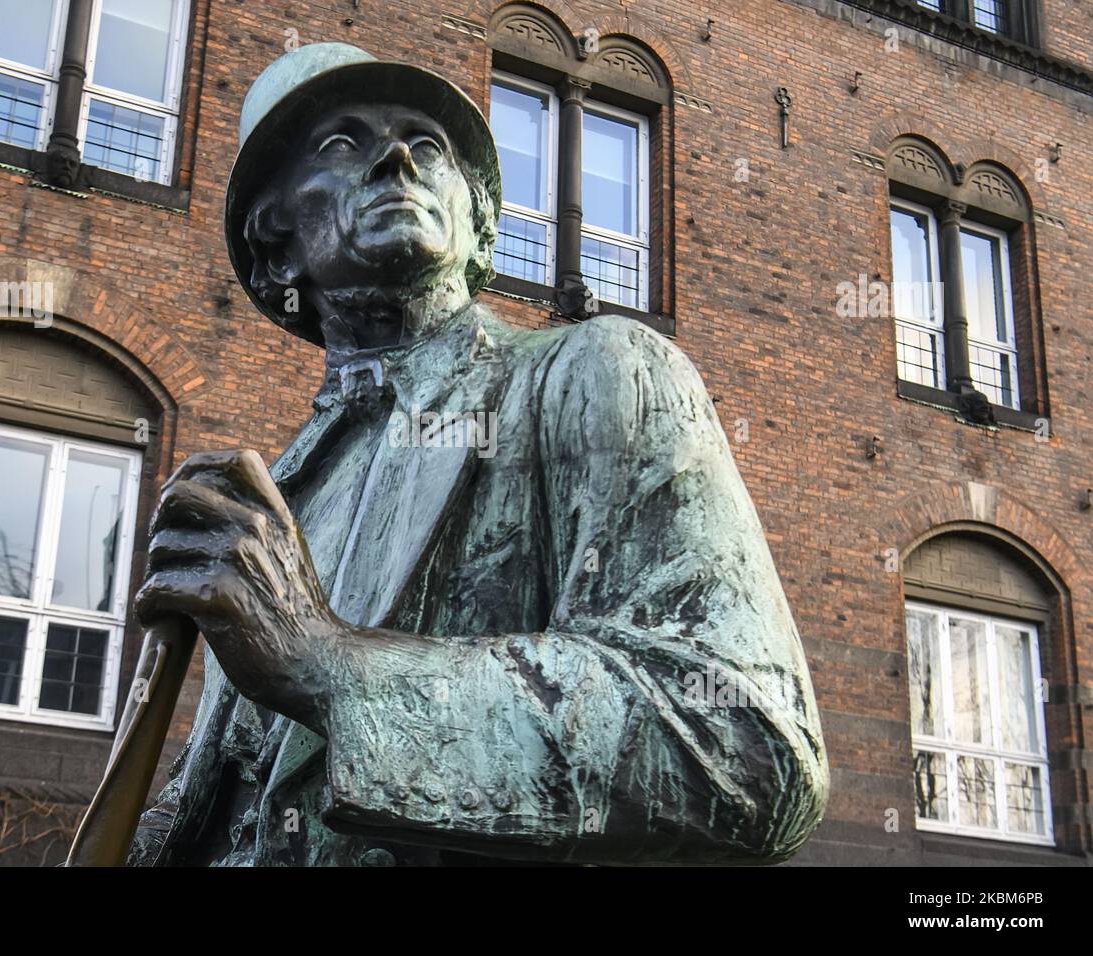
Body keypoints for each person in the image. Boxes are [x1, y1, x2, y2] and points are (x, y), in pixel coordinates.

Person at [122, 42, 828, 866]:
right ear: (276, 240)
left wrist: (330, 664)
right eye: (341, 144)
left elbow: (752, 744)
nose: (396, 157)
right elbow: (248, 788)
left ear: (479, 219)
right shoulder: (280, 493)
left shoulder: (600, 373)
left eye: (429, 146)